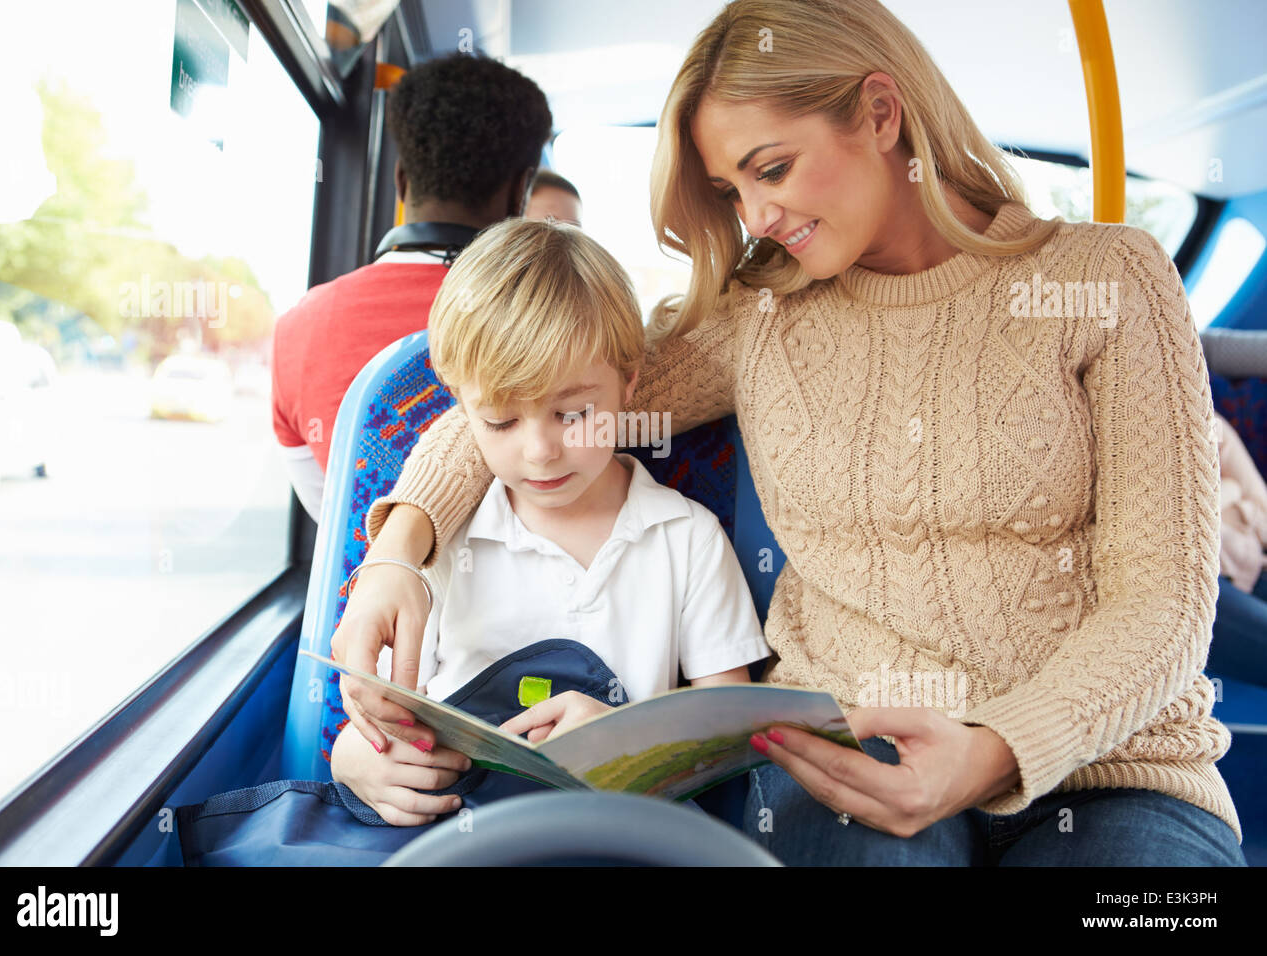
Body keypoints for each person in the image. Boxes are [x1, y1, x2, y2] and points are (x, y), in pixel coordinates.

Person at [333, 0, 1245, 866]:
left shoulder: (1112, 278)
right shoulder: (758, 312)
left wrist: (994, 751)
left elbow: (1162, 608)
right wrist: (396, 555)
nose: (756, 218)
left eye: (771, 169)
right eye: (732, 190)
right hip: (846, 756)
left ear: (881, 113)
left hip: (1116, 769)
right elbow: (521, 401)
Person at [329, 217, 769, 826]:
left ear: (629, 383)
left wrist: (631, 748)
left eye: (574, 413)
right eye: (501, 422)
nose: (539, 452)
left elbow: (732, 735)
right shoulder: (438, 545)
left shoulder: (686, 539)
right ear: (462, 407)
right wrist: (354, 758)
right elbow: (381, 717)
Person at [270, 53, 552, 520]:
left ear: (401, 180)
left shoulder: (298, 329)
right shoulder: (556, 318)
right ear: (521, 190)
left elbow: (337, 523)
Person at [1210, 411, 1267, 687]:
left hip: (1252, 562)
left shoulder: (1210, 425)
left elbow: (1260, 501)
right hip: (1193, 581)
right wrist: (1229, 491)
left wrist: (1231, 493)